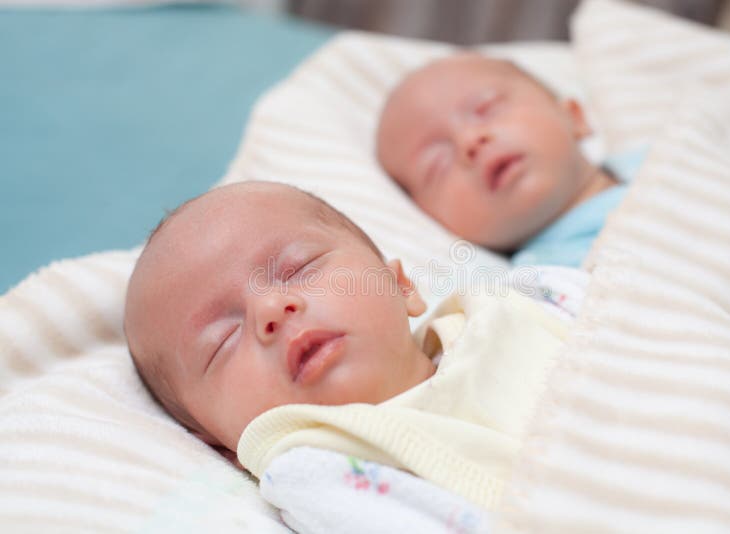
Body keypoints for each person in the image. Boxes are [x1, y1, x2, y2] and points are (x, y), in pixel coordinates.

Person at [124, 180, 571, 511]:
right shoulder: (315, 476)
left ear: (400, 284)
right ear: (222, 445)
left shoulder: (525, 302)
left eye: (300, 267)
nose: (272, 310)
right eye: (222, 340)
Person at [376, 52, 634, 268]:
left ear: (574, 117)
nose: (470, 141)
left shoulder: (656, 162)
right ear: (437, 223)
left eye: (486, 109)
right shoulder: (537, 293)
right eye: (437, 164)